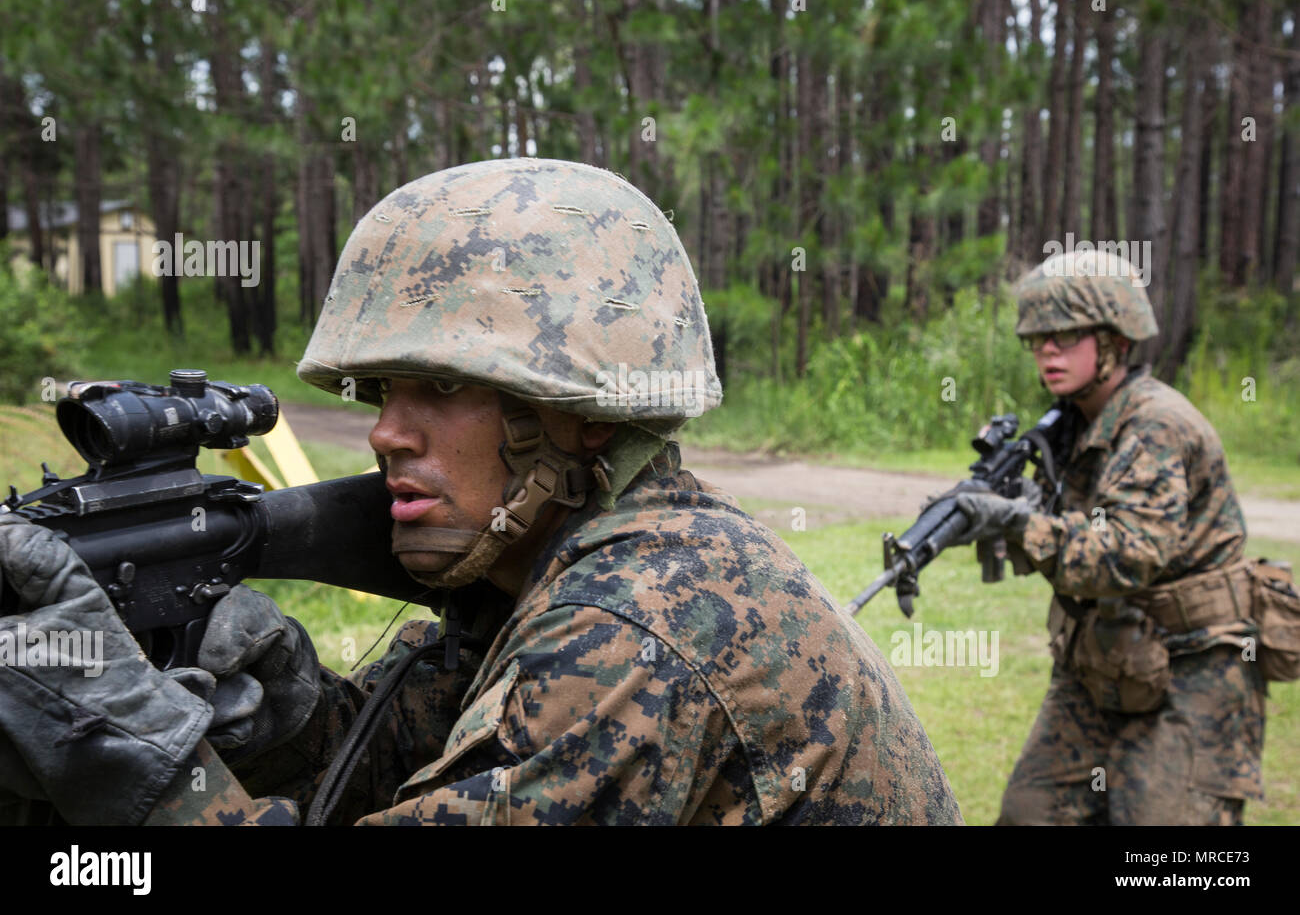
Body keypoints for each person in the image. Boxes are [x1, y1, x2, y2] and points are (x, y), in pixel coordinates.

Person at [0, 158, 961, 826]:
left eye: (445, 387)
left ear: (581, 412)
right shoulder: (564, 558)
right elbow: (410, 772)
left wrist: (134, 753)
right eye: (381, 392)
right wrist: (288, 710)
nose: (384, 431)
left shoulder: (632, 632)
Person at [944, 247, 1275, 825]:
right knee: (1029, 816)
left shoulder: (1156, 423)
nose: (1048, 349)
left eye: (1066, 335)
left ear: (1115, 343)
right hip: (1103, 663)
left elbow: (1127, 554)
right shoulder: (1072, 420)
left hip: (1191, 671)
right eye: (1039, 338)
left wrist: (1020, 523)